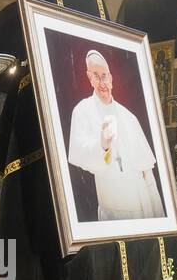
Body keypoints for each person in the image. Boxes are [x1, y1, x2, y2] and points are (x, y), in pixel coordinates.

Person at [66, 50, 165, 221]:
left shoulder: (128, 116)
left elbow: (147, 170)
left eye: (104, 75)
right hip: (114, 208)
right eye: (96, 76)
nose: (102, 82)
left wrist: (158, 215)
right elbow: (80, 153)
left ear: (111, 78)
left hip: (144, 203)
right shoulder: (83, 110)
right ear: (89, 77)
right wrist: (102, 145)